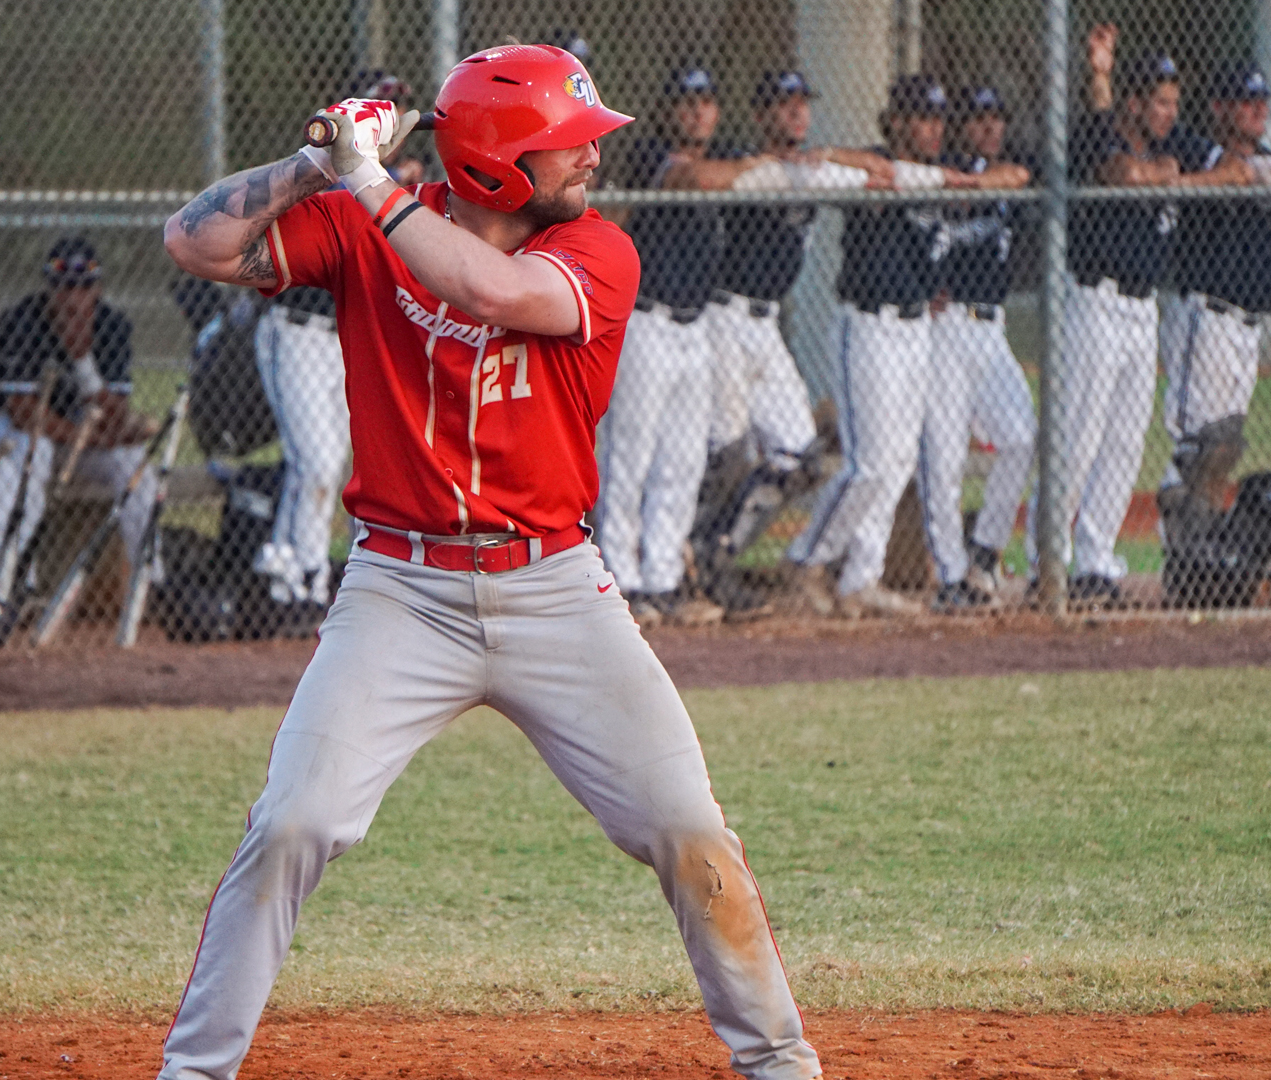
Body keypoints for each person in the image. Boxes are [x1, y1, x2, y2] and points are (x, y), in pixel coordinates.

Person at [161, 43, 823, 1080]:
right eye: (565, 146)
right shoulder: (363, 215)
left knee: (691, 829)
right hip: (400, 590)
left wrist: (370, 185)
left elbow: (496, 291)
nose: (591, 161)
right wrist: (319, 161)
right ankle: (194, 1071)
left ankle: (780, 1062)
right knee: (293, 822)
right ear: (497, 160)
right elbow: (195, 244)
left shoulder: (600, 252)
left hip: (556, 587)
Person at [786, 74, 1027, 619]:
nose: (934, 127)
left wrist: (942, 181)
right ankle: (805, 559)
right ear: (894, 121)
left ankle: (859, 579)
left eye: (939, 118)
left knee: (895, 466)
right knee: (868, 463)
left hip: (919, 329)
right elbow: (837, 162)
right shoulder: (871, 163)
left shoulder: (942, 178)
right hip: (869, 328)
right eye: (921, 117)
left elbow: (1013, 176)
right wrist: (889, 170)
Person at [1031, 36, 1248, 607]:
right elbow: (1121, 173)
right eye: (1159, 103)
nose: (1170, 114)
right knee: (1078, 437)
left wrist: (1173, 178)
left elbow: (1233, 171)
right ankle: (1046, 564)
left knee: (1125, 441)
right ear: (1132, 104)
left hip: (1142, 310)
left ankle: (1096, 563)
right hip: (1094, 303)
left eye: (1175, 103)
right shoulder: (1097, 133)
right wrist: (1156, 172)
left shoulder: (1174, 143)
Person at [694, 71, 879, 586]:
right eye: (783, 103)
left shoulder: (815, 168)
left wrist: (830, 156)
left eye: (802, 103)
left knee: (801, 457)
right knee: (726, 455)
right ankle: (690, 561)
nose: (796, 112)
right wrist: (767, 165)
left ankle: (714, 553)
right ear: (761, 115)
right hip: (723, 318)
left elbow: (879, 170)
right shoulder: (743, 161)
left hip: (767, 327)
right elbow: (705, 175)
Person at [252, 70, 424, 608]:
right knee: (318, 461)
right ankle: (299, 576)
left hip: (348, 333)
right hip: (299, 330)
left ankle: (295, 574)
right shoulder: (322, 156)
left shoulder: (407, 177)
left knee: (334, 462)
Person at [1158, 65, 1271, 545]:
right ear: (1218, 107)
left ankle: (1202, 540)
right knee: (1199, 441)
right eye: (1245, 99)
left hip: (1250, 325)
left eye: (1262, 100)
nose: (1258, 108)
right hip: (1207, 315)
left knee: (1227, 443)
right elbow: (1241, 174)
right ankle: (1180, 542)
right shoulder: (1197, 150)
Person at [596, 66, 734, 628]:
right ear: (670, 110)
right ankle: (620, 578)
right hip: (647, 324)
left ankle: (662, 577)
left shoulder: (725, 156)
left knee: (683, 459)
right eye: (687, 101)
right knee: (630, 455)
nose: (698, 111)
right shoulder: (650, 153)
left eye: (706, 101)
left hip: (696, 327)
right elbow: (689, 178)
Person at [0, 235, 156, 606]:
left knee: (136, 467)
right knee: (32, 454)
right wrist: (86, 437)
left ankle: (152, 583)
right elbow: (23, 412)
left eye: (84, 288)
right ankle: (17, 582)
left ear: (98, 289)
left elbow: (116, 412)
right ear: (49, 288)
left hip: (78, 442)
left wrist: (83, 360)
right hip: (20, 434)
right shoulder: (21, 322)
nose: (73, 298)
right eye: (63, 288)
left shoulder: (112, 326)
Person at [923, 84, 1036, 611]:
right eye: (979, 118)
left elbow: (1024, 173)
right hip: (945, 329)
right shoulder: (942, 171)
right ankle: (950, 576)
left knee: (1020, 437)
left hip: (992, 329)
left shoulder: (1007, 176)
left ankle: (984, 552)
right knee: (942, 457)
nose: (990, 127)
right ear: (961, 126)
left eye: (997, 117)